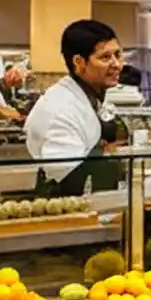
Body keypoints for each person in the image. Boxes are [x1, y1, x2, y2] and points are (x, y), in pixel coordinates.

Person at [24, 19, 126, 196]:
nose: (116, 64)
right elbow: (66, 177)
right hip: (63, 207)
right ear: (79, 63)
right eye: (105, 57)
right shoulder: (61, 109)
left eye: (118, 55)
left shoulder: (88, 96)